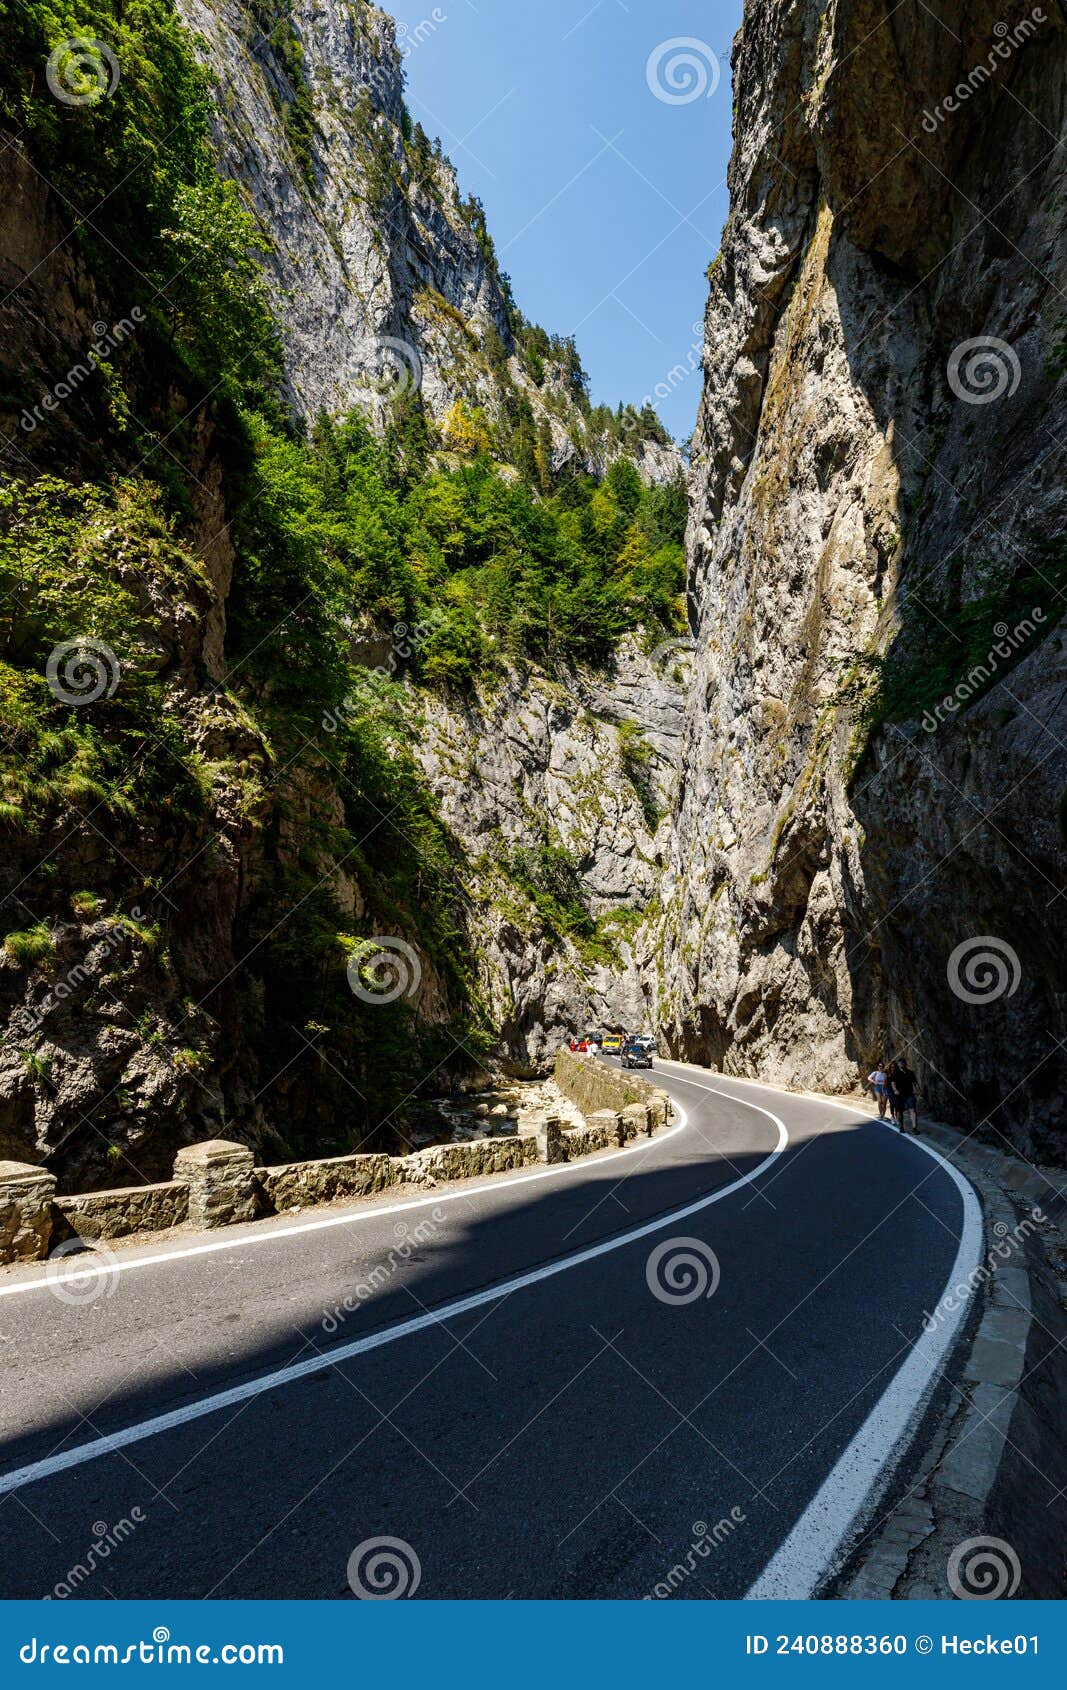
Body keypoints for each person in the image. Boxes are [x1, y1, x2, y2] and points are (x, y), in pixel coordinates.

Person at [891, 1060, 920, 1135]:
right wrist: (895, 1090)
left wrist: (918, 1090)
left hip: (909, 1094)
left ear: (905, 1064)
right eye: (900, 1063)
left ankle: (914, 1128)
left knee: (912, 1110)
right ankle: (901, 1126)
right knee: (900, 1111)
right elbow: (893, 1082)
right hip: (899, 1095)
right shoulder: (896, 1073)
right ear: (899, 1064)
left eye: (903, 1063)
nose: (901, 1064)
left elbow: (915, 1083)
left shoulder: (910, 1073)